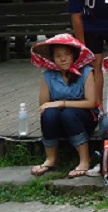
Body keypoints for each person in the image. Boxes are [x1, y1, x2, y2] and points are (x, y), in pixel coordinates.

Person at [29, 34, 97, 178]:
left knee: (69, 113)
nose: (63, 58)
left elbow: (91, 102)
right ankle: (50, 158)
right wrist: (54, 105)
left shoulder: (86, 72)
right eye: (58, 55)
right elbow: (44, 104)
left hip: (83, 118)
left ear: (74, 55)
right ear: (53, 58)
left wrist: (62, 103)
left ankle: (85, 160)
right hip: (58, 121)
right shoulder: (48, 75)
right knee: (49, 113)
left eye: (67, 54)